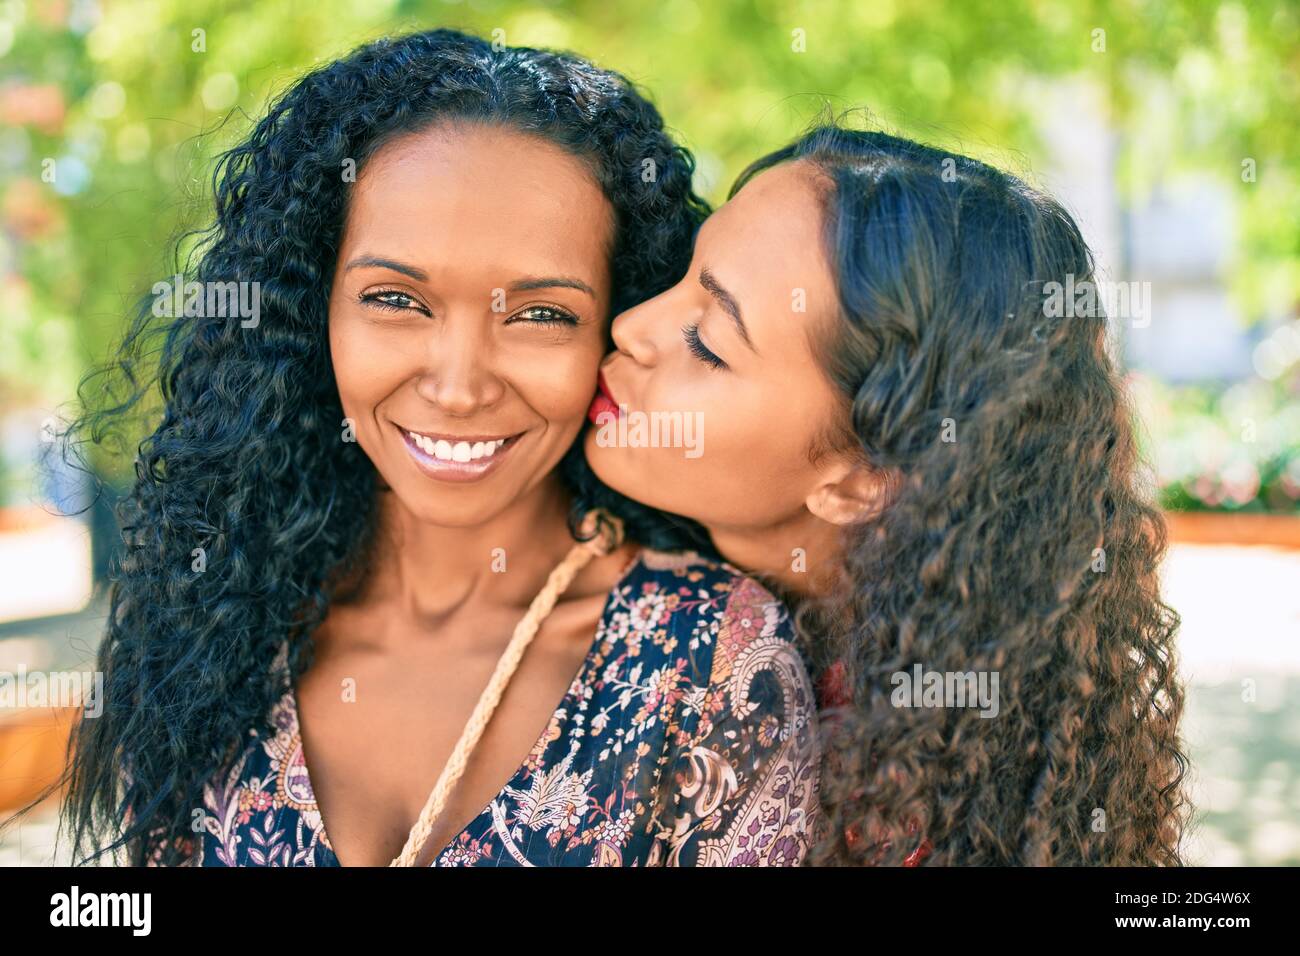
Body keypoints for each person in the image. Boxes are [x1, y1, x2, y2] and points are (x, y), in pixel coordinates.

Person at [38, 29, 821, 868]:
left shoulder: (713, 668)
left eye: (540, 313)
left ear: (615, 326)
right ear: (312, 312)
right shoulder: (219, 619)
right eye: (395, 299)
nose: (458, 385)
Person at [585, 122, 1191, 865]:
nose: (629, 326)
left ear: (862, 481)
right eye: (683, 276)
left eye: (709, 342)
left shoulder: (891, 801)